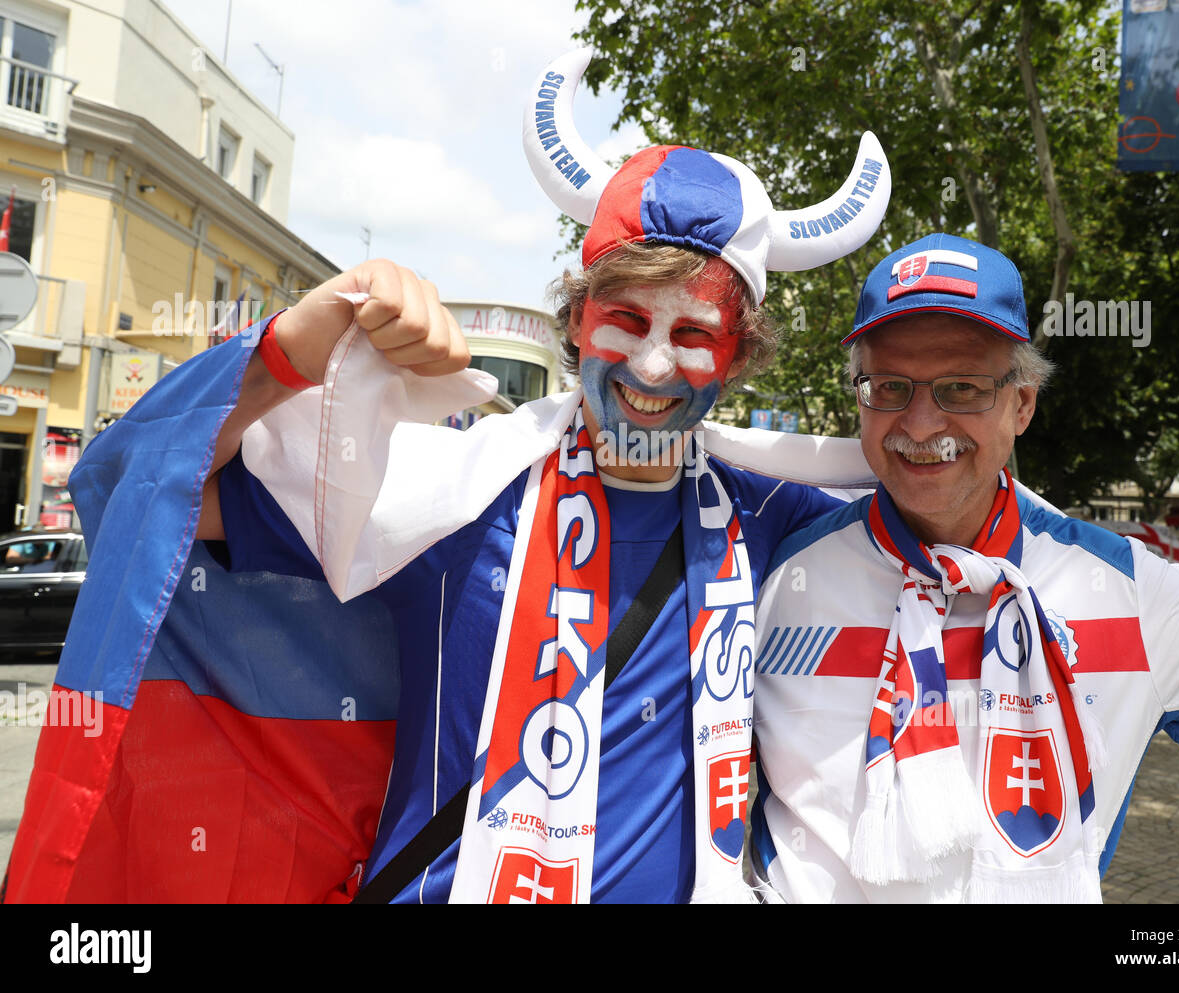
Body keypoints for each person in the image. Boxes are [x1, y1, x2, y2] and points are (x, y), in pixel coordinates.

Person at [3, 49, 889, 904]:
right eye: (625, 318)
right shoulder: (459, 494)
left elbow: (955, 513)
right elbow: (139, 497)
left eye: (695, 334)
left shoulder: (775, 513)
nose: (653, 367)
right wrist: (290, 349)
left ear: (737, 361)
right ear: (577, 322)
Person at [749, 233, 1179, 903]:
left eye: (962, 388)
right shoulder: (773, 577)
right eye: (890, 386)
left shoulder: (1131, 590)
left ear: (1023, 403)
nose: (921, 424)